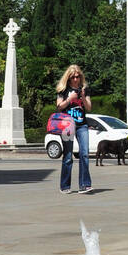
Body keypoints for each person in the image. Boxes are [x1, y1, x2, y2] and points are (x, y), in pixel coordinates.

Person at [56, 64, 92, 194]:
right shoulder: (63, 89)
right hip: (67, 125)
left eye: (78, 76)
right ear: (69, 78)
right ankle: (65, 186)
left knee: (85, 154)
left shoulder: (84, 89)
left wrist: (82, 96)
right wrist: (69, 99)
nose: (76, 79)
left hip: (82, 124)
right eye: (73, 77)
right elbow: (59, 107)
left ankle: (84, 184)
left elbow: (88, 108)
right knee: (67, 156)